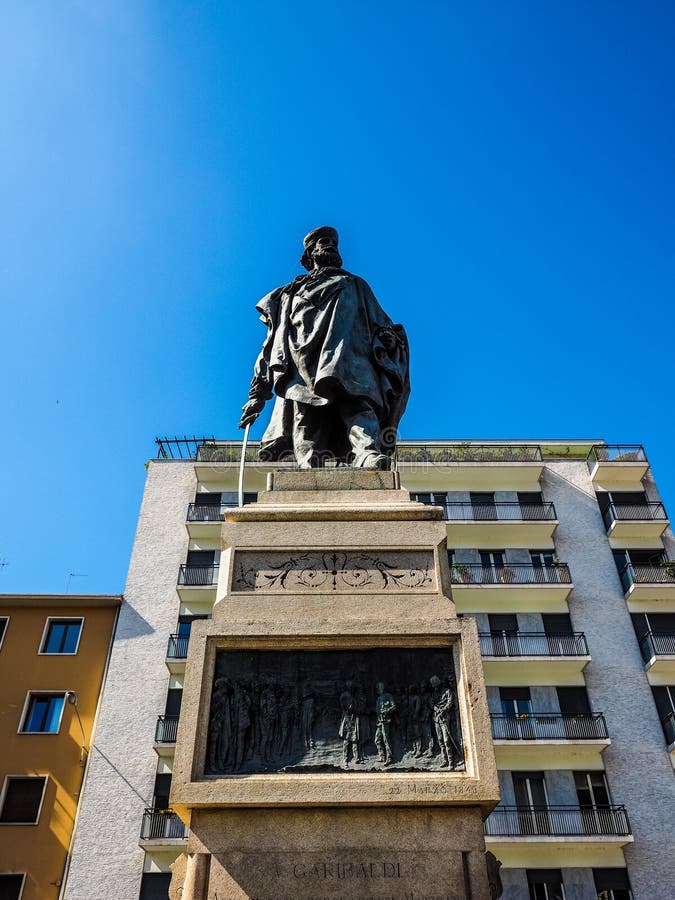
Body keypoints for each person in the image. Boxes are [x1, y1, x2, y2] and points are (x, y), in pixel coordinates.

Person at [239, 227, 410, 469]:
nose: (329, 244)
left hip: (351, 358)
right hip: (303, 364)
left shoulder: (355, 285)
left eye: (332, 241)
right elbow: (272, 345)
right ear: (309, 255)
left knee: (360, 407)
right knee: (307, 419)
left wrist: (387, 338)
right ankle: (310, 465)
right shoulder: (290, 294)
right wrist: (257, 394)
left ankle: (367, 453)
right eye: (321, 242)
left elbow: (382, 323)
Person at [374, 681, 396, 766]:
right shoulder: (378, 698)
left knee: (386, 740)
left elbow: (394, 706)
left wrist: (387, 711)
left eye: (378, 688)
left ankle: (389, 757)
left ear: (381, 688)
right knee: (377, 740)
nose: (377, 690)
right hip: (379, 722)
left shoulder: (388, 696)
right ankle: (382, 756)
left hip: (386, 721)